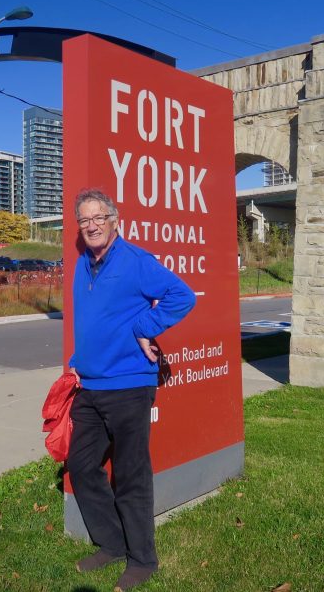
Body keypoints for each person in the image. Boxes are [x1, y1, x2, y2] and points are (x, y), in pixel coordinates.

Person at [67, 188, 196, 591]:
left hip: (129, 386)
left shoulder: (136, 261)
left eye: (98, 218)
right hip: (89, 385)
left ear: (114, 220)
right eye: (84, 220)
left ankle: (143, 560)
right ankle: (112, 544)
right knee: (82, 465)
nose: (91, 226)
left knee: (131, 473)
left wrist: (145, 328)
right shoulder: (82, 263)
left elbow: (183, 296)